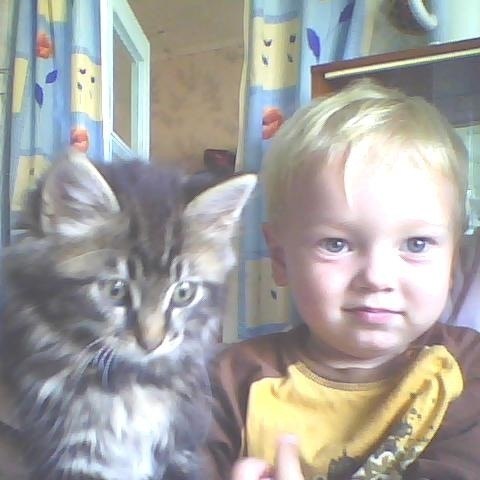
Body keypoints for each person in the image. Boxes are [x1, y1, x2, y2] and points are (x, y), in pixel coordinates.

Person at [203, 79, 480, 480]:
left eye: (416, 244)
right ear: (281, 258)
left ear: (452, 260)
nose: (377, 278)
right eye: (336, 244)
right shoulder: (226, 380)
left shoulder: (468, 370)